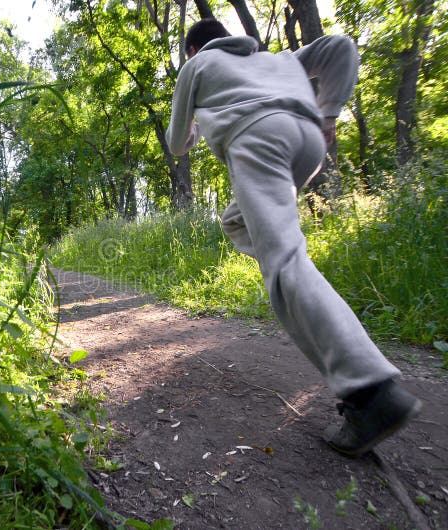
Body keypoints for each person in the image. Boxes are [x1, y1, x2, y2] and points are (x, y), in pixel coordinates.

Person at [166, 18, 421, 456]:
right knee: (236, 220)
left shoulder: (198, 64)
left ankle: (370, 394)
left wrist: (190, 127)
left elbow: (176, 143)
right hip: (307, 139)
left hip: (258, 137)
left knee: (285, 263)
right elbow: (340, 47)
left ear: (193, 48)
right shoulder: (275, 59)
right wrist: (328, 113)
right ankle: (287, 266)